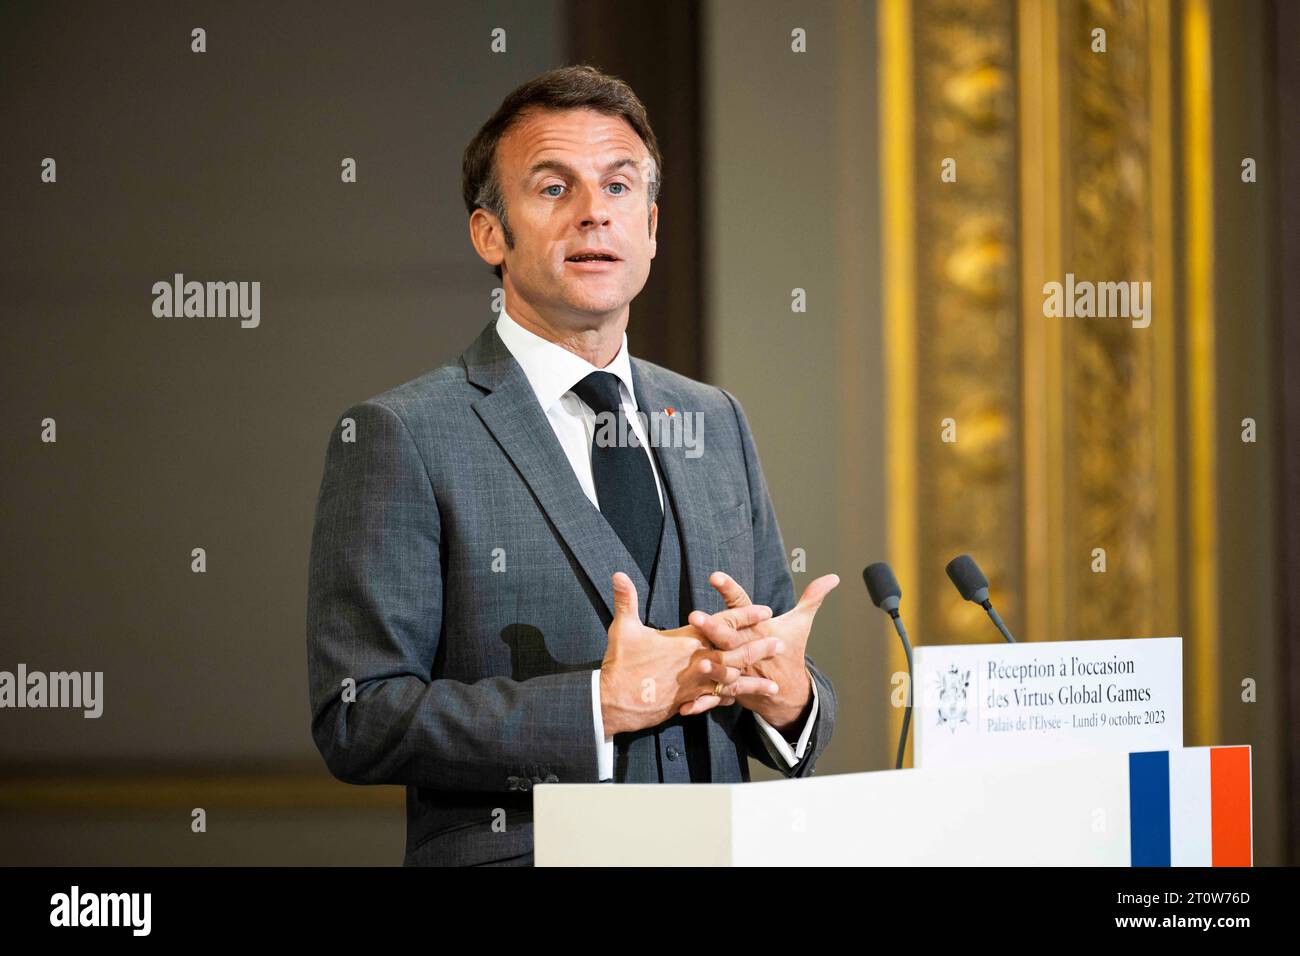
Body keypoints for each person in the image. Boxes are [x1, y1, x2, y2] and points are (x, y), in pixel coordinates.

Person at [307, 64, 839, 866]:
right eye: (554, 189)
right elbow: (359, 718)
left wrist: (789, 696)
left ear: (652, 228)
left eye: (620, 188)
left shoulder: (713, 419)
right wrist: (597, 705)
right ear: (491, 232)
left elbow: (777, 683)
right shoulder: (400, 434)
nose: (596, 213)